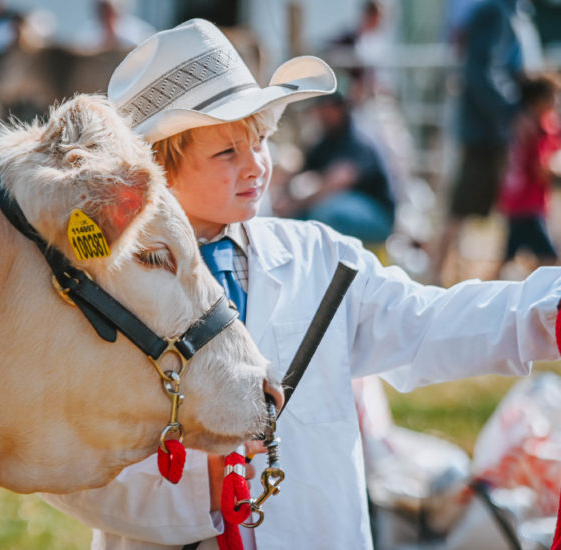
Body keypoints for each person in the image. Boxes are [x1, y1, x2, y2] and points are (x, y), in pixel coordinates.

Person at [43, 19, 561, 550]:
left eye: (261, 141)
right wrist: (204, 487)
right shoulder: (105, 285)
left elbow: (430, 322)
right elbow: (67, 453)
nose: (257, 167)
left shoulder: (318, 258)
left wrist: (546, 309)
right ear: (156, 170)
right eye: (227, 153)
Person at [431, 0, 529, 284]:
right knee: (463, 208)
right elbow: (481, 71)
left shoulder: (505, 11)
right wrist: (512, 111)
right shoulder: (494, 11)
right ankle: (437, 278)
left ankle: (485, 276)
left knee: (501, 206)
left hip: (490, 127)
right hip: (485, 130)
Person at [273, 92, 395, 244]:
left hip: (378, 218)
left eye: (322, 108)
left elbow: (338, 182)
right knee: (297, 219)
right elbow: (303, 175)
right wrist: (286, 199)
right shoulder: (324, 142)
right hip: (342, 207)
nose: (317, 114)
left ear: (337, 107)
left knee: (326, 212)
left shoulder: (360, 139)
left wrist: (296, 204)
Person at [497, 73, 561, 274]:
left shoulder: (523, 123)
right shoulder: (536, 128)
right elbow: (540, 169)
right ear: (539, 101)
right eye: (552, 98)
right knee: (550, 259)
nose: (556, 103)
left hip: (516, 201)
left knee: (509, 258)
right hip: (528, 204)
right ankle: (542, 299)